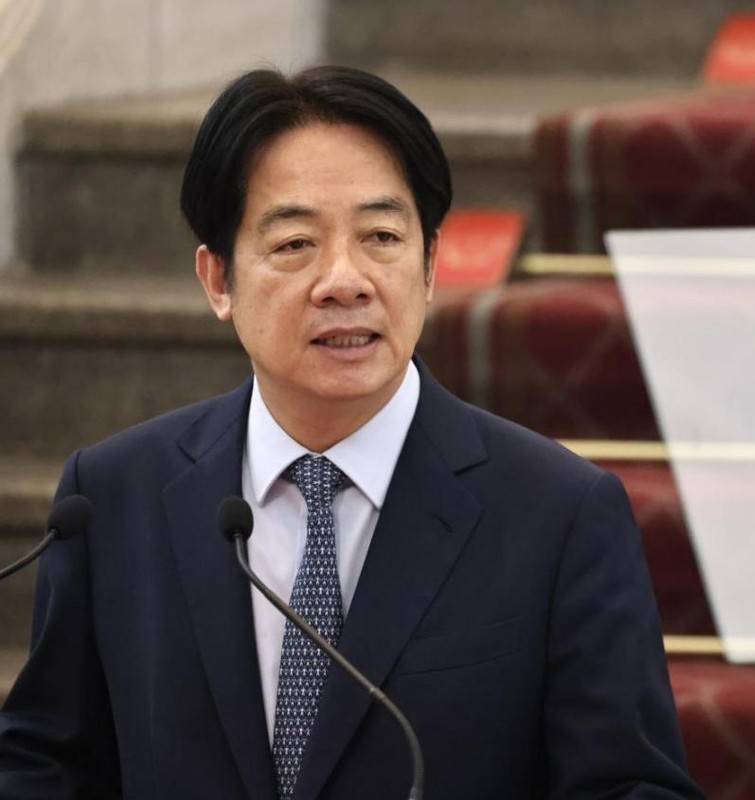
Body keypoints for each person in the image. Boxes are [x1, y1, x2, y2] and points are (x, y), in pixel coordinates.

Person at [0, 66, 702, 799]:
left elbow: (632, 788)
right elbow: (45, 765)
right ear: (218, 280)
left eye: (381, 237)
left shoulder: (559, 515)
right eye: (295, 244)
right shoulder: (111, 498)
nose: (345, 280)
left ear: (430, 265)